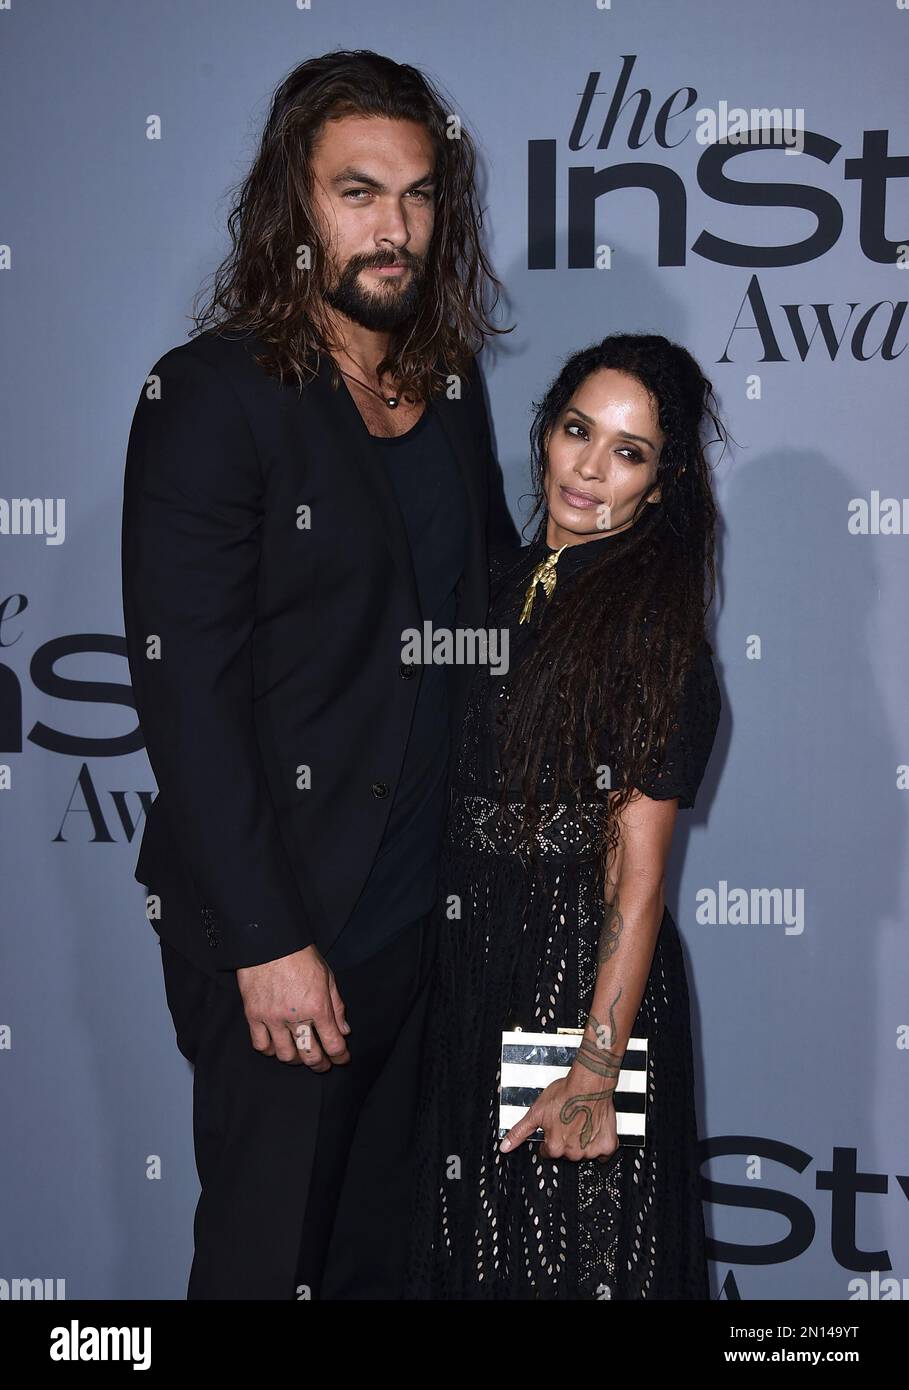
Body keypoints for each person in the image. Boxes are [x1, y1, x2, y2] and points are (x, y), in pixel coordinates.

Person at [120, 49, 517, 1300]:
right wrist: (270, 940)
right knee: (266, 1261)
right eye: (359, 193)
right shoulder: (211, 396)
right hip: (285, 930)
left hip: (423, 923)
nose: (394, 228)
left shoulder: (447, 386)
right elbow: (186, 696)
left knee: (379, 1263)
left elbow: (486, 614)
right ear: (295, 206)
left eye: (418, 194)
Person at [405, 334, 724, 1300]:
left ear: (659, 486)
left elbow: (635, 882)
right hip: (463, 968)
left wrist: (593, 1069)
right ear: (544, 434)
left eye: (628, 453)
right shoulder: (490, 588)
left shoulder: (653, 632)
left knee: (565, 1266)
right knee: (468, 1260)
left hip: (575, 976)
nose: (589, 468)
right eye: (578, 432)